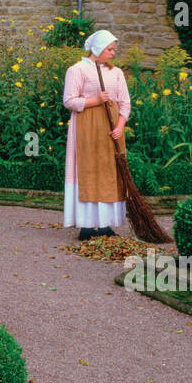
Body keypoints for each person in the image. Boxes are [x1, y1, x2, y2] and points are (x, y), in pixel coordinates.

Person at [62, 29, 130, 241]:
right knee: (89, 172)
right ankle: (87, 224)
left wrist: (120, 126)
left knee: (109, 173)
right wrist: (95, 101)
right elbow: (69, 101)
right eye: (109, 49)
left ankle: (104, 224)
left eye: (113, 49)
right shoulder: (77, 70)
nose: (112, 53)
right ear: (98, 48)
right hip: (86, 130)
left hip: (111, 131)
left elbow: (125, 102)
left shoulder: (116, 72)